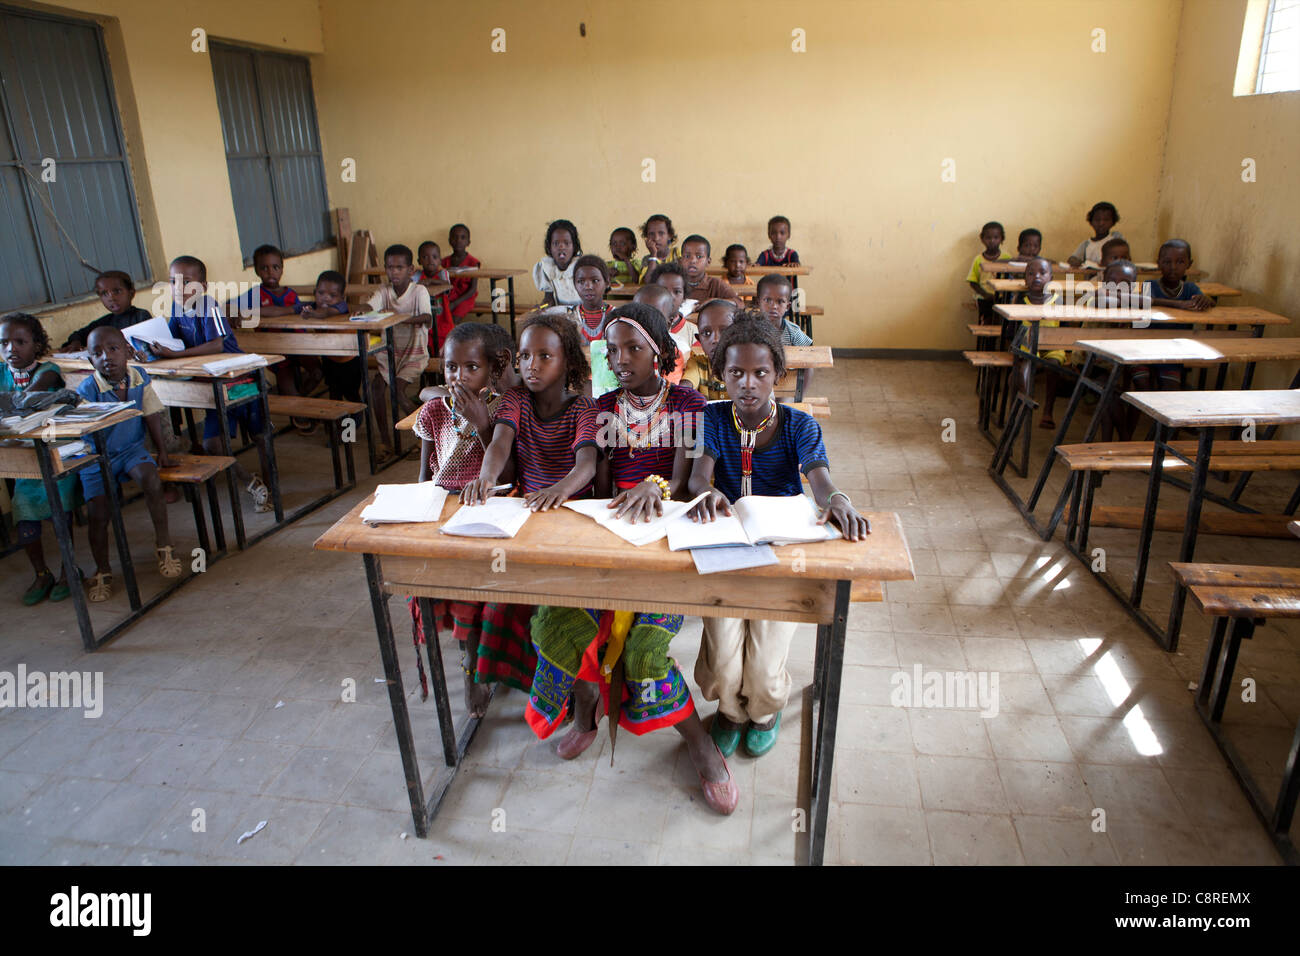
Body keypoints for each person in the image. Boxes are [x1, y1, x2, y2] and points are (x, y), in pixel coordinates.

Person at [523, 302, 738, 811]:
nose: (621, 359)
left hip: (666, 534)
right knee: (558, 622)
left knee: (644, 647)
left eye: (634, 348)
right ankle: (585, 714)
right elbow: (596, 475)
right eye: (613, 349)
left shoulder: (688, 402)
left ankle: (699, 745)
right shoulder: (603, 407)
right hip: (612, 528)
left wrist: (652, 483)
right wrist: (601, 509)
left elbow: (684, 482)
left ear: (660, 352)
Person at [687, 317, 868, 758]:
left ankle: (765, 712)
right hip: (725, 548)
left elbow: (819, 478)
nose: (748, 384)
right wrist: (708, 494)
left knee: (767, 668)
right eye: (735, 373)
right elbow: (696, 479)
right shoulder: (708, 418)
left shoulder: (798, 425)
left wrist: (837, 499)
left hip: (781, 555)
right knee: (723, 663)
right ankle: (730, 711)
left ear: (779, 375)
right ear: (720, 375)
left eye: (761, 373)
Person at [459, 313, 599, 692]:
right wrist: (487, 477)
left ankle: (564, 682)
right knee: (498, 595)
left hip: (571, 517)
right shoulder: (516, 400)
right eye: (523, 357)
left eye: (544, 357)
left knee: (554, 600)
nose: (531, 366)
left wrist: (560, 490)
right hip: (528, 516)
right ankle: (516, 673)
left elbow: (587, 464)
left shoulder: (583, 408)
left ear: (567, 361)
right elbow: (501, 441)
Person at [409, 322, 513, 717]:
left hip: (488, 504)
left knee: (473, 585)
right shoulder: (434, 410)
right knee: (426, 577)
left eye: (472, 368)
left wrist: (481, 420)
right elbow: (425, 475)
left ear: (491, 370)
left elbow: (504, 475)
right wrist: (419, 512)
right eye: (452, 368)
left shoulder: (503, 409)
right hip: (441, 505)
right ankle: (464, 648)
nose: (460, 377)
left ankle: (474, 667)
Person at [151, 255, 272, 513]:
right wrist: (152, 348)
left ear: (203, 286)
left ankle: (272, 481)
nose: (179, 288)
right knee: (212, 445)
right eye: (173, 281)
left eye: (187, 282)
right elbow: (173, 340)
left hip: (240, 379)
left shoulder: (208, 306)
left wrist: (175, 355)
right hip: (212, 385)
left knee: (260, 435)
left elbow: (216, 345)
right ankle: (251, 482)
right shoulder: (176, 309)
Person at [78, 327, 180, 602]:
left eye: (113, 349)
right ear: (90, 361)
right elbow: (86, 431)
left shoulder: (138, 377)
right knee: (98, 513)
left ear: (127, 351)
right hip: (96, 456)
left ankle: (164, 544)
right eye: (97, 353)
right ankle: (102, 570)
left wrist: (162, 452)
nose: (106, 357)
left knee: (151, 479)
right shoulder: (88, 389)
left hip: (131, 449)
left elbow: (151, 414)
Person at [1, 313, 80, 604]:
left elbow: (24, 400)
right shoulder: (2, 373)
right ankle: (41, 573)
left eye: (20, 342)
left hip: (55, 452)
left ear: (36, 344)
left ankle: (69, 568)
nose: (11, 349)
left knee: (59, 515)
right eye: (4, 342)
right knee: (25, 523)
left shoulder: (47, 371)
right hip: (22, 457)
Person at [363, 244, 433, 451]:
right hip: (389, 354)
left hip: (414, 354)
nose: (394, 272)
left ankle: (425, 436)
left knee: (398, 391)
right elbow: (370, 306)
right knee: (376, 389)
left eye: (399, 267)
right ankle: (385, 441)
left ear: (411, 270)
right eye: (390, 267)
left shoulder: (419, 291)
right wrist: (362, 309)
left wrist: (398, 319)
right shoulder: (383, 291)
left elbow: (427, 317)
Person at [1012, 257, 1066, 429]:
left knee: (1054, 366)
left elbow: (1065, 326)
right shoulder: (1021, 300)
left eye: (1042, 273)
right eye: (1031, 273)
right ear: (1025, 279)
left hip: (1052, 346)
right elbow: (1011, 327)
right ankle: (1026, 405)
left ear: (1050, 278)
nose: (1036, 277)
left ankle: (1048, 411)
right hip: (1028, 345)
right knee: (1025, 367)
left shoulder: (1057, 300)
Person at [298, 271, 361, 402]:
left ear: (342, 297)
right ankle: (336, 422)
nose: (325, 298)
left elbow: (326, 312)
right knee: (334, 392)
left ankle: (354, 421)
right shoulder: (313, 307)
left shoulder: (341, 306)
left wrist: (311, 313)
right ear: (315, 292)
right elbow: (292, 309)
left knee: (351, 394)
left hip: (349, 359)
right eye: (320, 293)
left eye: (332, 295)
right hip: (329, 357)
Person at [59, 271, 150, 351]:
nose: (111, 298)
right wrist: (76, 343)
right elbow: (78, 335)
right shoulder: (105, 322)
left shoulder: (141, 316)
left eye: (117, 291)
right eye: (104, 294)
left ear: (131, 293)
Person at [646, 264, 698, 384]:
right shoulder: (640, 330)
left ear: (684, 296)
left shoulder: (694, 333)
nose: (669, 296)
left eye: (677, 291)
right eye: (663, 290)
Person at [688, 298, 739, 400]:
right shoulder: (697, 364)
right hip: (705, 416)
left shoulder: (749, 367)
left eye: (724, 331)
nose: (715, 340)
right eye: (706, 333)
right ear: (699, 340)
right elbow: (685, 389)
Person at [1144, 239, 1214, 311]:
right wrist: (1179, 304)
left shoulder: (1190, 288)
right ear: (1159, 264)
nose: (1173, 267)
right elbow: (1145, 300)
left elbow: (1212, 303)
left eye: (1180, 262)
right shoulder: (1149, 284)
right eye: (1167, 262)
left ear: (1189, 264)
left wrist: (1204, 300)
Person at [966, 221, 1010, 321]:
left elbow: (1011, 279)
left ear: (1001, 239)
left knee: (1002, 324)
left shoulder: (1007, 258)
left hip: (1002, 298)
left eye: (996, 237)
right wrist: (985, 294)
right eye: (988, 238)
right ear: (982, 239)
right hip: (984, 298)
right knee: (985, 322)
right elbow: (973, 282)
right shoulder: (978, 259)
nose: (992, 241)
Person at [533, 219, 582, 307]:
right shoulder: (548, 269)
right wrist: (543, 306)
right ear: (549, 247)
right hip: (560, 316)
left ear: (574, 246)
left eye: (566, 243)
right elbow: (549, 298)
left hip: (583, 315)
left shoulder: (582, 267)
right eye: (556, 243)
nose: (561, 247)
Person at [680, 235, 740, 305]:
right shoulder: (675, 283)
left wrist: (714, 302)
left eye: (699, 256)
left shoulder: (716, 284)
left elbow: (739, 303)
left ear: (708, 262)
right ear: (681, 260)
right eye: (687, 256)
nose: (693, 260)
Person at [567, 254, 614, 343]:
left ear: (607, 282)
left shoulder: (616, 316)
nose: (588, 287)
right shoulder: (570, 317)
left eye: (595, 280)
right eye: (581, 281)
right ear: (574, 285)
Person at [417, 240, 454, 350]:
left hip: (442, 318)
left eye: (434, 257)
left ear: (440, 260)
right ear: (419, 261)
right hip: (424, 319)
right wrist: (423, 282)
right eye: (425, 257)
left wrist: (431, 281)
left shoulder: (443, 274)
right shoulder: (418, 275)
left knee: (443, 346)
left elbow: (447, 285)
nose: (430, 260)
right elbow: (412, 287)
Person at [443, 224, 481, 322]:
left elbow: (472, 290)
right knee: (440, 314)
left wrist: (455, 303)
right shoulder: (444, 262)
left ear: (468, 242)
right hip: (449, 296)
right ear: (449, 241)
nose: (458, 240)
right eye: (455, 237)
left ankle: (451, 336)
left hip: (466, 297)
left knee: (453, 319)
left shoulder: (473, 263)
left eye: (463, 237)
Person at [1066, 202, 1123, 267]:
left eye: (1106, 220)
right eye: (1097, 220)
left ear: (1113, 222)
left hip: (1112, 276)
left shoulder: (1116, 238)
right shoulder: (1086, 244)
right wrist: (1078, 262)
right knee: (1069, 274)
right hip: (1091, 277)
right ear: (1091, 222)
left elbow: (1123, 259)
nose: (1101, 223)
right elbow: (1072, 259)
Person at [637, 213, 679, 280]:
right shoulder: (647, 260)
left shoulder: (677, 254)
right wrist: (653, 255)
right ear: (646, 237)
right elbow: (649, 281)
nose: (656, 238)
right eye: (651, 234)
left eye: (661, 233)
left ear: (669, 236)